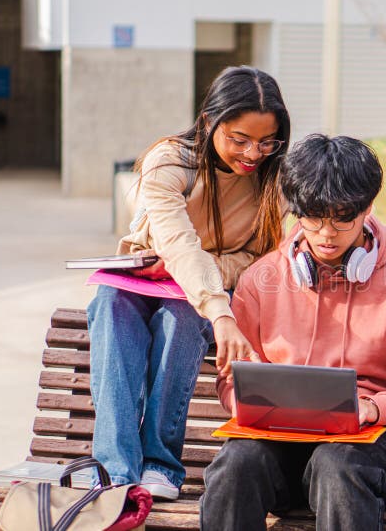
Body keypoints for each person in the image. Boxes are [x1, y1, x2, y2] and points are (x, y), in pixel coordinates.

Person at [199, 134, 386, 531]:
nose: (326, 233)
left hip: (364, 449)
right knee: (236, 463)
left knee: (336, 465)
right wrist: (242, 404)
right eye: (313, 217)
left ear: (368, 208)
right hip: (277, 444)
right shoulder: (262, 279)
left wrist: (376, 409)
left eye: (342, 218)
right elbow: (230, 377)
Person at [87, 66, 290, 500]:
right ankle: (114, 469)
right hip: (142, 278)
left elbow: (260, 260)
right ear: (208, 123)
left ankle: (161, 463)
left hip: (194, 294)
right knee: (109, 304)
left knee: (182, 313)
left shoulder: (273, 179)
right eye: (239, 139)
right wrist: (218, 307)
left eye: (266, 141)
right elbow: (177, 242)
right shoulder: (171, 160)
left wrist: (209, 286)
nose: (254, 152)